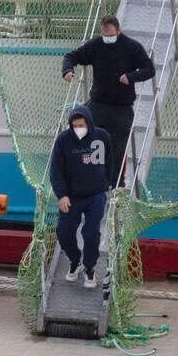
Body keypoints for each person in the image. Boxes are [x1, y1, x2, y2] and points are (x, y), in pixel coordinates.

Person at [61, 15, 154, 188]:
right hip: (99, 103)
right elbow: (71, 56)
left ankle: (116, 185)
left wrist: (131, 77)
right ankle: (88, 180)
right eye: (105, 35)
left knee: (118, 148)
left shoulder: (131, 47)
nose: (107, 38)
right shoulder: (96, 45)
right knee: (89, 141)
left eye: (110, 35)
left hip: (121, 107)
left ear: (119, 31)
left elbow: (149, 69)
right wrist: (68, 70)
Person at [49, 105, 111, 289]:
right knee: (64, 232)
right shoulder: (63, 140)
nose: (78, 128)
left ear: (89, 123)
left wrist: (112, 185)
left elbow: (109, 163)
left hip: (96, 194)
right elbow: (56, 170)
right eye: (74, 125)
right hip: (71, 196)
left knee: (91, 232)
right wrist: (61, 195)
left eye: (81, 125)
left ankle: (90, 268)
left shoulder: (101, 137)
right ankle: (75, 260)